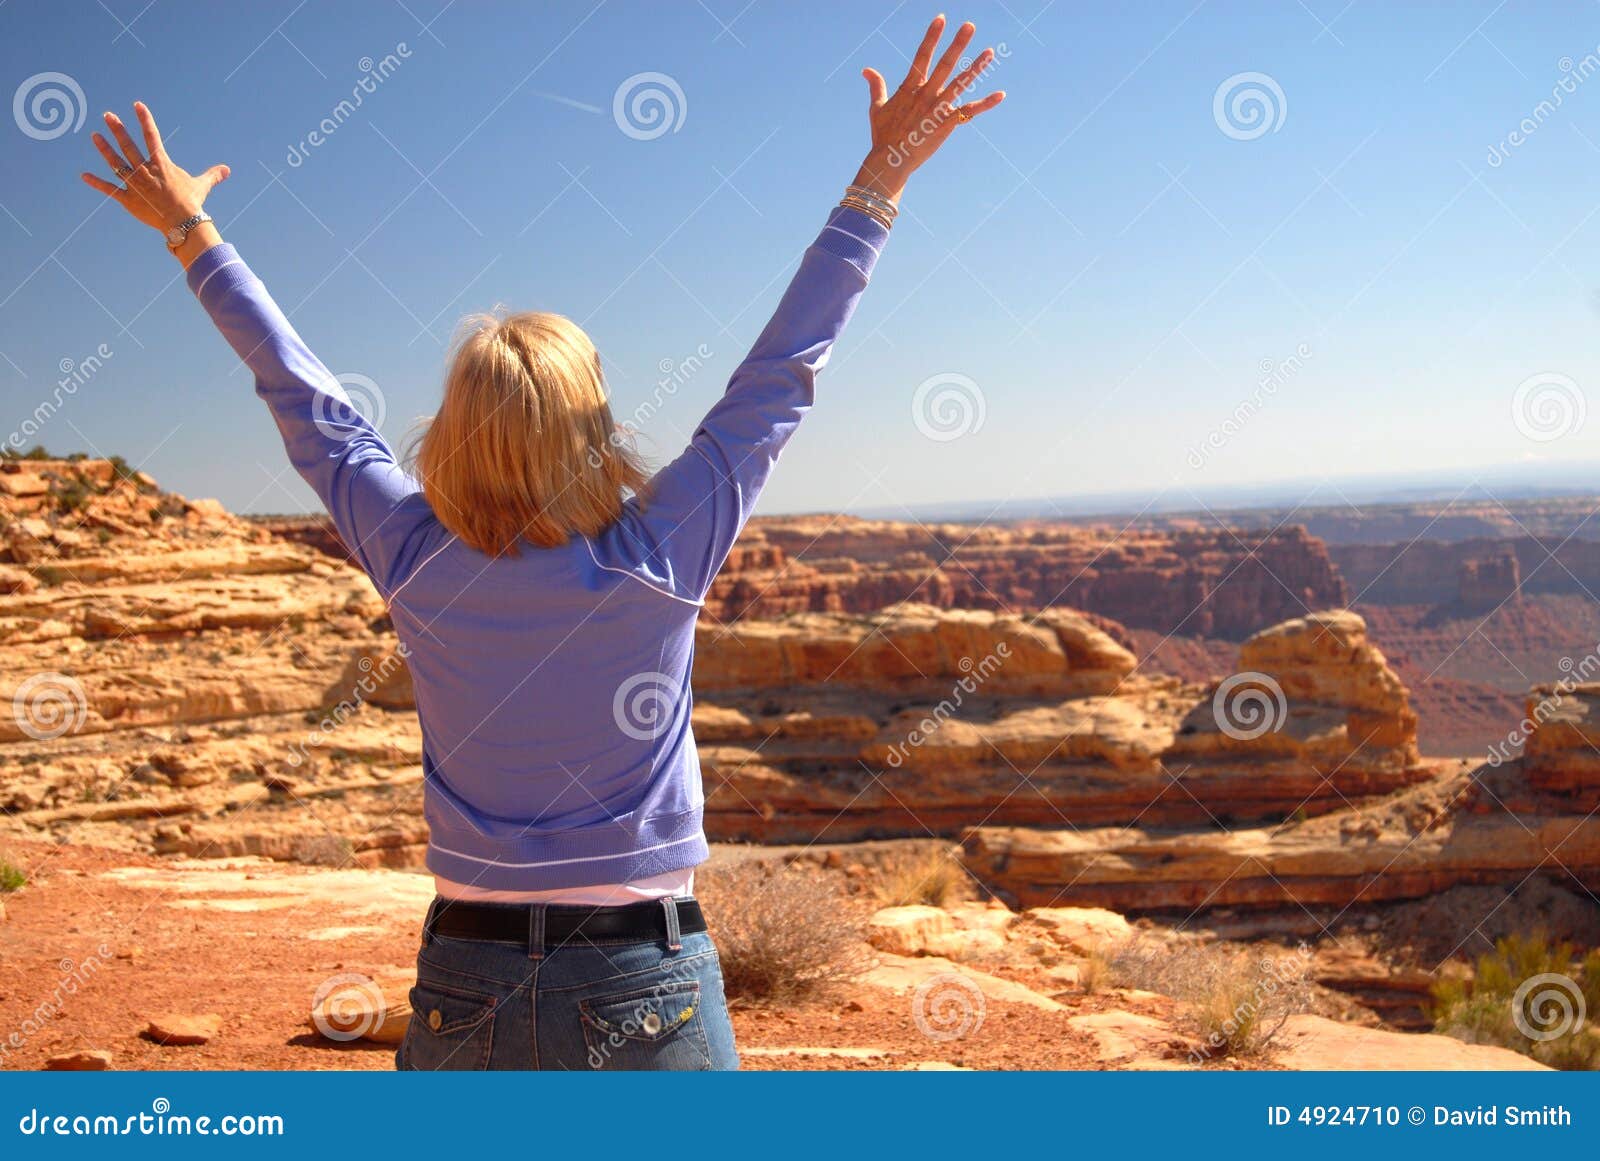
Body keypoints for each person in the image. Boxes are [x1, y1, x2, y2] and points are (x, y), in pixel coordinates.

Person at [81, 14, 1005, 1071]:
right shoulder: (662, 550)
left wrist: (193, 236)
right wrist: (880, 178)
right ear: (597, 427)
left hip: (464, 977)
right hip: (639, 975)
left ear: (452, 426)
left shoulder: (411, 551)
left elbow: (302, 396)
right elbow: (779, 377)